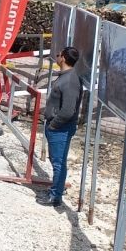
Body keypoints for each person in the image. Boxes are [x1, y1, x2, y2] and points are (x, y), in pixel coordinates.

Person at [39, 46, 82, 207]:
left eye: (58, 55)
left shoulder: (70, 80)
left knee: (58, 162)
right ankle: (56, 188)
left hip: (60, 128)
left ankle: (55, 196)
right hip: (57, 127)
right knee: (56, 160)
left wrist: (54, 125)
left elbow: (68, 110)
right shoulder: (65, 76)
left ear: (63, 58)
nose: (56, 57)